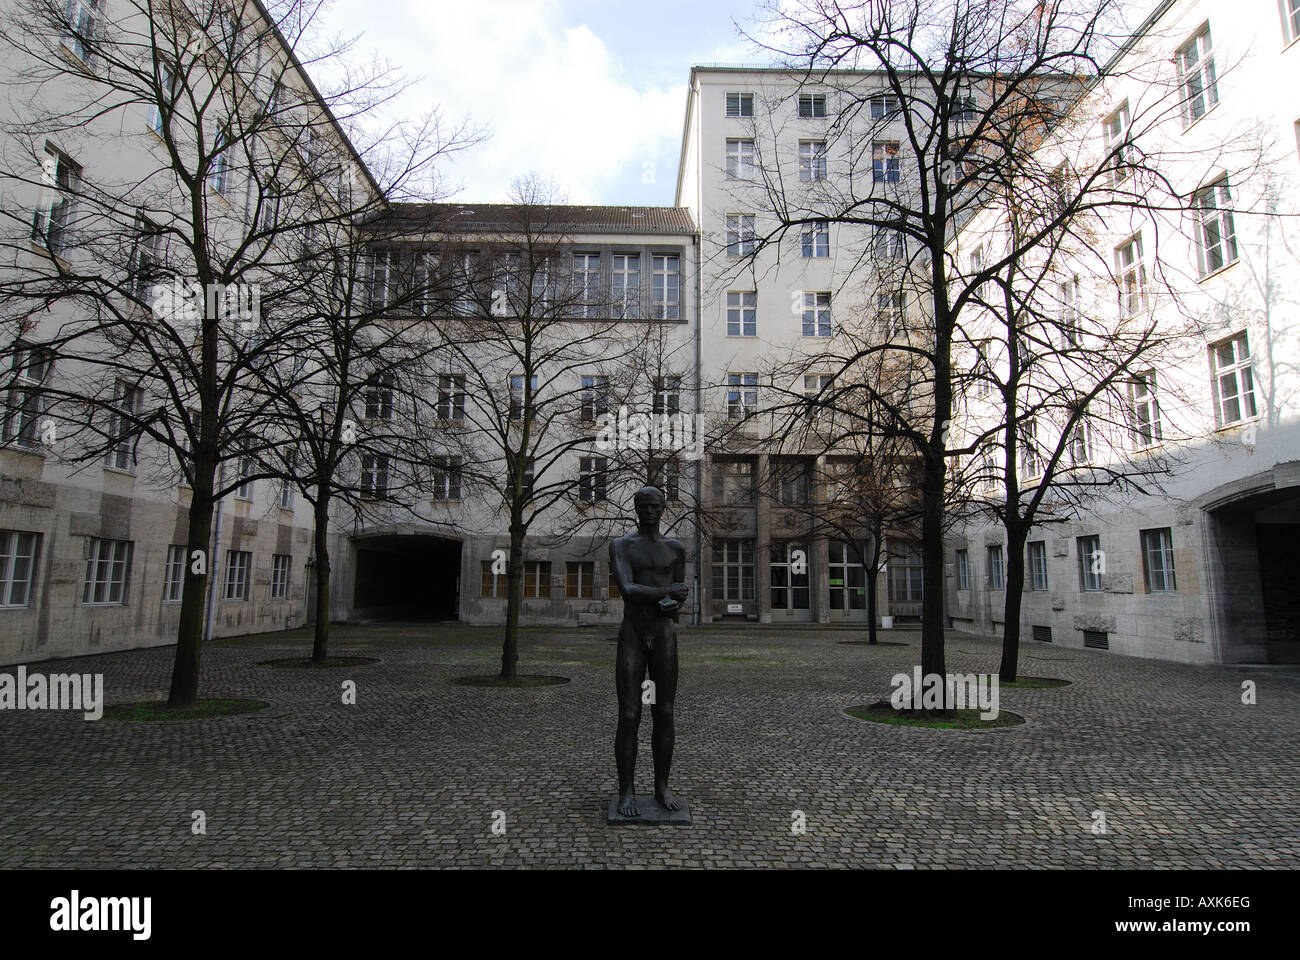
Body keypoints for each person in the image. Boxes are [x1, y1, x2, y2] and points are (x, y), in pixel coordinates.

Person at [608, 485, 687, 817]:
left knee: (664, 712)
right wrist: (666, 591)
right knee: (629, 714)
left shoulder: (675, 549)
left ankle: (661, 788)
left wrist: (671, 601)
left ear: (663, 507)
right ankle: (626, 791)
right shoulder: (622, 546)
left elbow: (678, 600)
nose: (650, 511)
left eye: (655, 506)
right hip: (633, 635)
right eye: (644, 506)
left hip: (664, 636)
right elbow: (627, 589)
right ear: (635, 509)